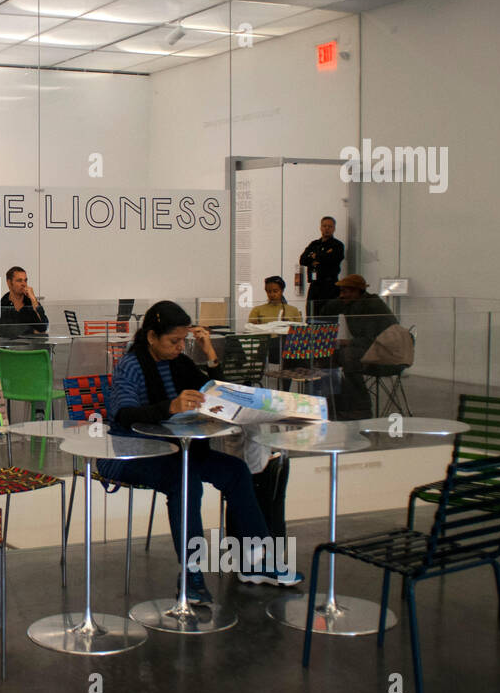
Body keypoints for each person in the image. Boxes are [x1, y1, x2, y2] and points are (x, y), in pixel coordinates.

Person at [98, 301, 302, 602]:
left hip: (180, 451)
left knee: (235, 471)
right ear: (152, 337)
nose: (180, 347)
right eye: (173, 341)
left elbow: (216, 391)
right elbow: (123, 414)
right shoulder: (131, 366)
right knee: (186, 482)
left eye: (184, 341)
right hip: (132, 454)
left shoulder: (179, 363)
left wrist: (210, 355)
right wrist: (169, 407)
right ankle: (191, 575)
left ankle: (257, 561)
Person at [319, 274, 399, 419]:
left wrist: (348, 342)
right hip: (368, 349)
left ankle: (361, 407)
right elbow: (326, 309)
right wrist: (340, 300)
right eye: (341, 291)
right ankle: (336, 403)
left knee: (348, 356)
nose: (342, 295)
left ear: (357, 291)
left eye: (346, 291)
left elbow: (372, 339)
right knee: (327, 354)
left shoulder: (372, 305)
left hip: (387, 353)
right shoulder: (351, 303)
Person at [298, 216, 345, 318]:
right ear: (320, 227)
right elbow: (303, 260)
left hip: (330, 286)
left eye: (330, 226)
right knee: (311, 316)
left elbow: (333, 259)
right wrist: (322, 256)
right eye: (324, 226)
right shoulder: (314, 244)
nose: (327, 228)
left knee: (328, 317)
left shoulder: (337, 245)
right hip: (315, 286)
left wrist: (316, 256)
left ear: (334, 229)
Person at [0, 266, 47, 338]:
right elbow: (2, 331)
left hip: (31, 347)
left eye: (25, 280)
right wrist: (31, 331)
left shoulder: (31, 303)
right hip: (7, 348)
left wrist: (33, 299)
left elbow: (43, 328)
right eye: (19, 280)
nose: (24, 284)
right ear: (9, 283)